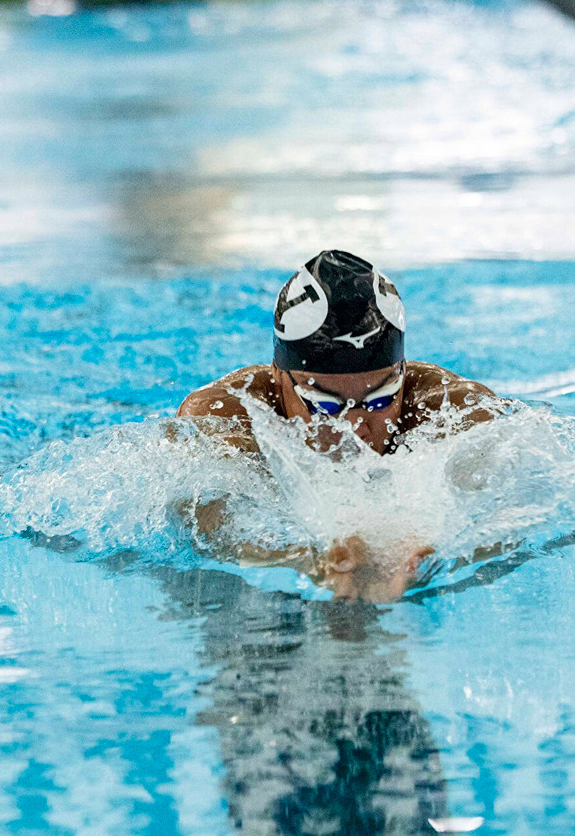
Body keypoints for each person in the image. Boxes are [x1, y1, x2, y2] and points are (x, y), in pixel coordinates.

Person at [177, 250, 499, 601]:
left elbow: (511, 510)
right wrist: (304, 560)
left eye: (380, 399)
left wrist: (440, 552)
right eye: (325, 405)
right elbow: (206, 521)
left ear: (403, 373)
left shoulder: (453, 408)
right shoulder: (228, 412)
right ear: (277, 375)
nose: (354, 427)